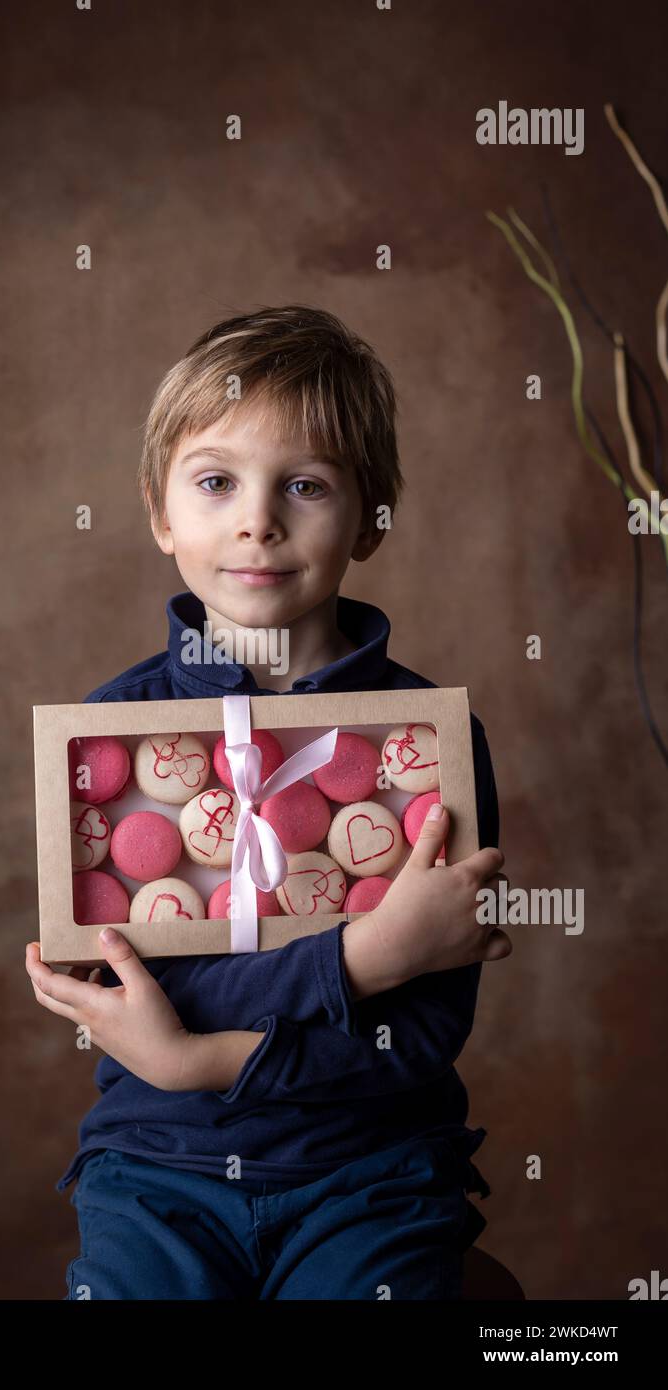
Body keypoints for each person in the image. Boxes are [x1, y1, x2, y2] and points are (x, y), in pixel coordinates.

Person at [26, 304, 512, 1300]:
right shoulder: (106, 739)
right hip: (156, 1169)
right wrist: (355, 963)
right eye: (214, 482)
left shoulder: (425, 749)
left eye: (305, 484)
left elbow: (416, 1036)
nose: (256, 519)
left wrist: (198, 1053)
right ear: (161, 515)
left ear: (369, 520)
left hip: (370, 1173)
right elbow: (118, 989)